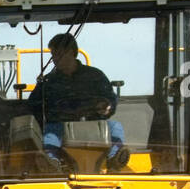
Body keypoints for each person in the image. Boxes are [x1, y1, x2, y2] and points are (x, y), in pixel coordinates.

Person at [29, 33, 129, 169]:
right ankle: (52, 163)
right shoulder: (48, 81)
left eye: (58, 54)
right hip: (61, 126)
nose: (55, 59)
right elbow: (33, 104)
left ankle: (114, 159)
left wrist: (106, 106)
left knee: (115, 127)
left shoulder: (95, 76)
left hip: (93, 123)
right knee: (50, 134)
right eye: (53, 55)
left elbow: (110, 99)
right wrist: (49, 112)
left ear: (71, 52)